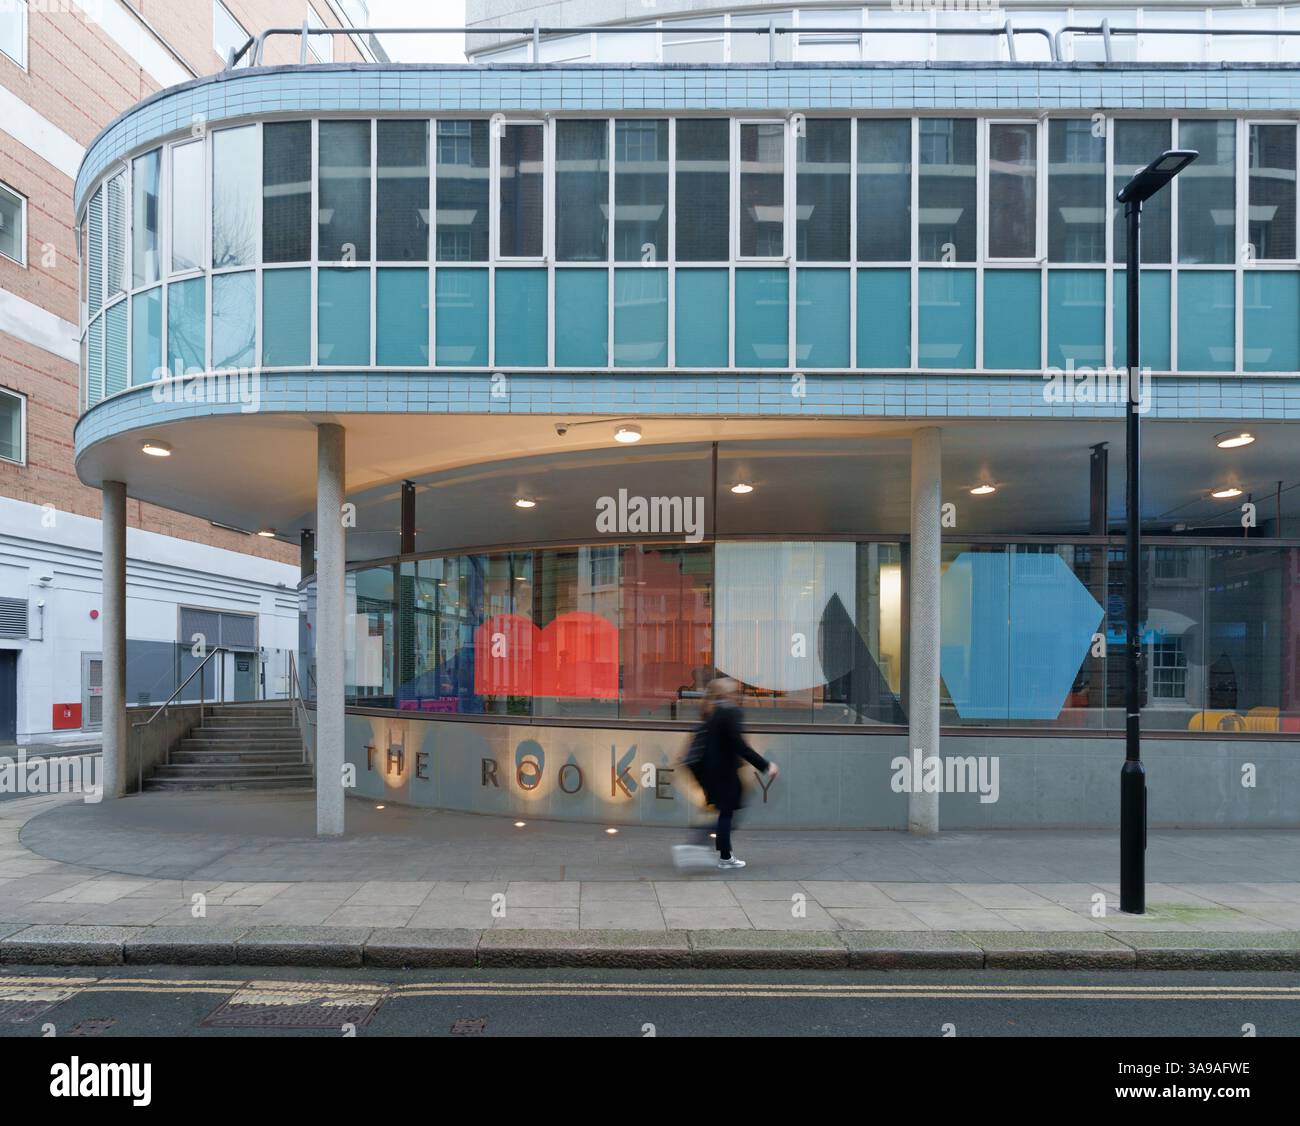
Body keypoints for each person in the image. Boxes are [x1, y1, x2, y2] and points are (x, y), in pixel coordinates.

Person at [674, 677, 779, 871]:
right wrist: (766, 765)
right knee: (728, 814)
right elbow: (740, 746)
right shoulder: (730, 711)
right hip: (725, 772)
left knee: (726, 813)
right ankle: (699, 845)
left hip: (712, 771)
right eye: (737, 692)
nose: (740, 695)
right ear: (729, 694)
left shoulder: (711, 711)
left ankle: (723, 854)